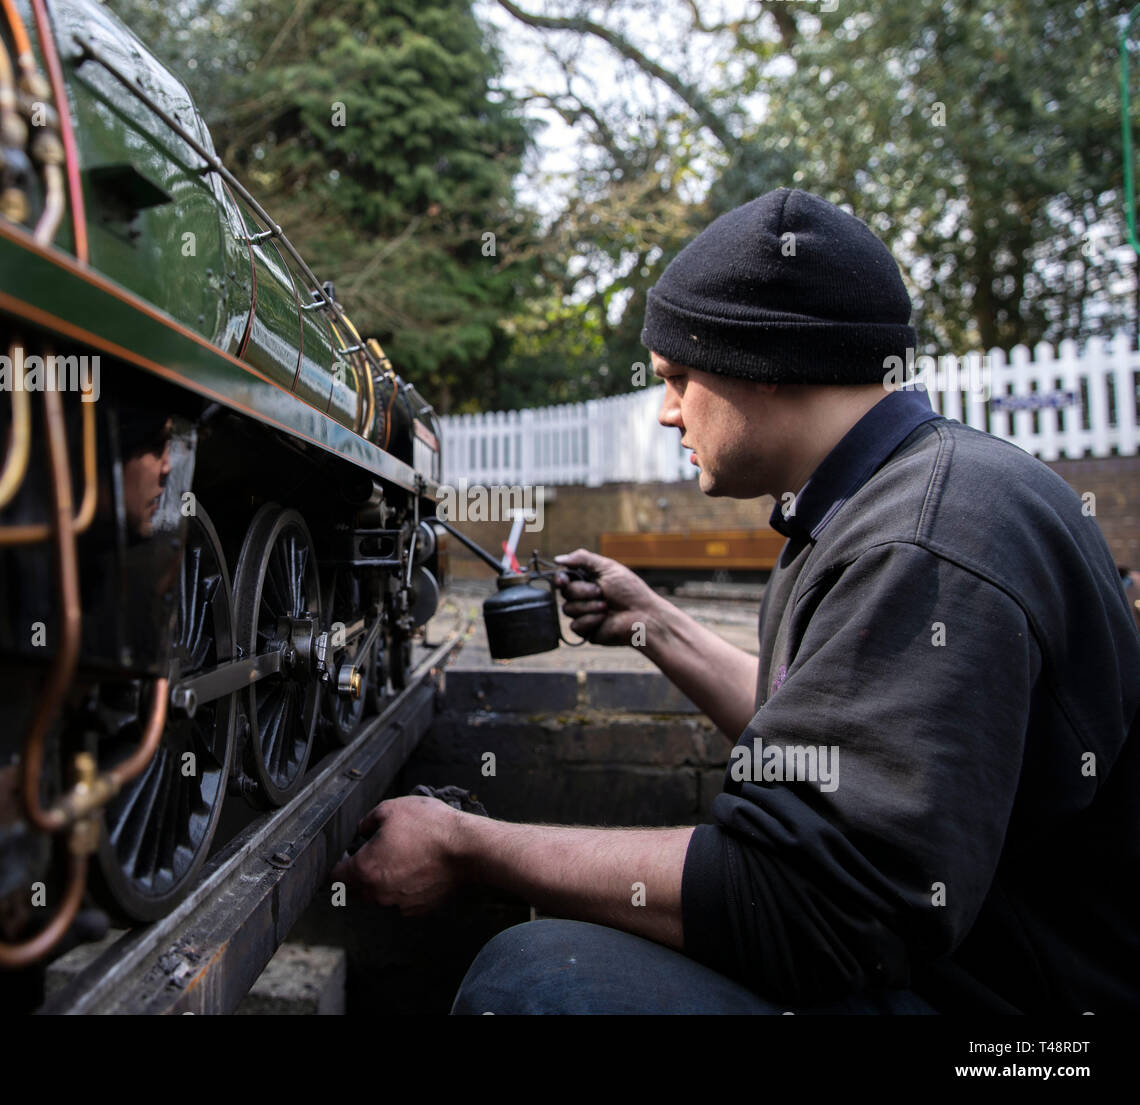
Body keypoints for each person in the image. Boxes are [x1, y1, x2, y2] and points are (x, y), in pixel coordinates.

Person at [331, 188, 1140, 1014]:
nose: (667, 411)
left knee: (538, 980)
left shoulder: (924, 548)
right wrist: (650, 622)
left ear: (769, 364)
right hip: (950, 970)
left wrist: (474, 849)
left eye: (680, 377)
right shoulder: (900, 499)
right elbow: (822, 745)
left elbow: (811, 910)